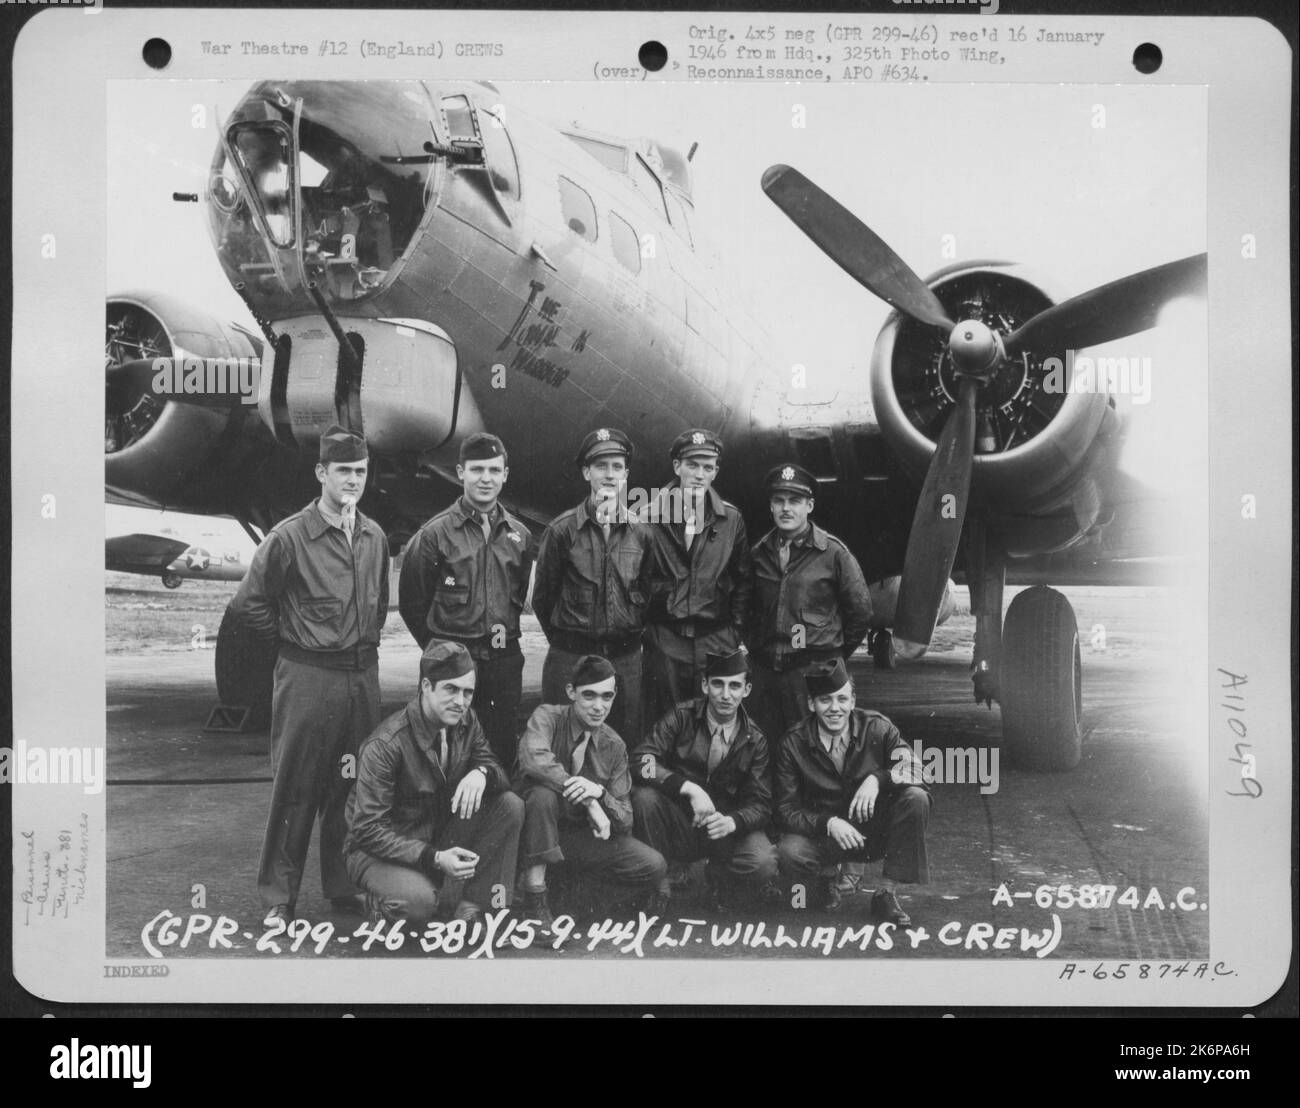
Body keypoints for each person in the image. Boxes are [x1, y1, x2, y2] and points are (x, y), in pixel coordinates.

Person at [229, 424, 389, 927]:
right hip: (307, 676)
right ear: (321, 472)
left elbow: (379, 605)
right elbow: (249, 604)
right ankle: (278, 897)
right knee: (296, 789)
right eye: (343, 470)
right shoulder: (291, 536)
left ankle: (343, 885)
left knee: (352, 782)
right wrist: (291, 643)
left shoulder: (374, 536)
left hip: (361, 677)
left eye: (360, 471)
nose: (353, 480)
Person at [344, 641, 523, 926]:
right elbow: (367, 830)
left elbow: (498, 773)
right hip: (380, 852)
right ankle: (375, 901)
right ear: (426, 687)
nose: (460, 702)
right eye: (450, 689)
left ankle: (469, 905)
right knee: (419, 906)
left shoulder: (467, 720)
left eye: (468, 692)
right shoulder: (385, 744)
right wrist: (435, 858)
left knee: (509, 805)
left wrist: (482, 773)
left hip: (434, 841)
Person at [398, 432, 536, 769]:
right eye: (476, 470)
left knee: (499, 754)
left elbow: (517, 596)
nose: (485, 479)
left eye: (493, 470)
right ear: (460, 473)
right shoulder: (434, 534)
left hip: (503, 666)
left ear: (505, 474)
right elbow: (412, 602)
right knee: (443, 758)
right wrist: (441, 653)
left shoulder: (520, 536)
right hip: (452, 667)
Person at [773, 658, 930, 924]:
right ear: (811, 704)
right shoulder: (793, 743)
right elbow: (785, 809)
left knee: (916, 798)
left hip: (873, 831)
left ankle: (886, 894)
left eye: (842, 699)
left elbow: (919, 771)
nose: (835, 708)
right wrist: (828, 823)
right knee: (790, 851)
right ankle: (826, 879)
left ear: (853, 701)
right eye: (825, 700)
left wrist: (879, 779)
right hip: (827, 836)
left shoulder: (878, 727)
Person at [514, 655, 667, 924]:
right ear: (571, 692)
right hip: (533, 833)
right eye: (589, 695)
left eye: (606, 697)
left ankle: (567, 897)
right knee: (542, 794)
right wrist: (588, 801)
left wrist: (599, 794)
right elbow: (534, 759)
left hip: (575, 840)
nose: (599, 706)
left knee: (653, 865)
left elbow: (625, 818)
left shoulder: (614, 745)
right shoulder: (547, 718)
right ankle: (535, 899)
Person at [631, 648, 777, 911]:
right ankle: (659, 883)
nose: (725, 694)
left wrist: (733, 822)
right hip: (683, 821)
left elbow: (762, 804)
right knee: (645, 799)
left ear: (747, 690)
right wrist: (689, 788)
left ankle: (722, 880)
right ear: (704, 685)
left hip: (725, 829)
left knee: (763, 862)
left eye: (734, 686)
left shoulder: (755, 739)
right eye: (718, 684)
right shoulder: (681, 717)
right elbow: (643, 759)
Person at [532, 428, 655, 742]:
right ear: (587, 472)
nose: (609, 475)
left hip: (624, 659)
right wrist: (570, 640)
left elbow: (648, 594)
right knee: (563, 741)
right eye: (601, 466)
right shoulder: (561, 531)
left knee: (624, 742)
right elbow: (543, 598)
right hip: (571, 657)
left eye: (617, 467)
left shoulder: (641, 533)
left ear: (626, 474)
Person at [745, 462, 873, 743]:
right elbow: (746, 609)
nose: (786, 508)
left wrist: (830, 653)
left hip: (811, 675)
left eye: (795, 501)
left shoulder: (833, 553)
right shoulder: (758, 554)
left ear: (810, 506)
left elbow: (860, 613)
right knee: (763, 749)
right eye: (779, 501)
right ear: (771, 506)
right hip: (766, 674)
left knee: (810, 751)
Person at [639, 429, 752, 725]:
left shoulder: (731, 519)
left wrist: (734, 632)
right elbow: (636, 580)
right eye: (692, 465)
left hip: (715, 641)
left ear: (715, 472)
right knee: (664, 722)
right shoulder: (648, 516)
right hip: (666, 639)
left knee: (713, 722)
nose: (699, 475)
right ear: (677, 467)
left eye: (707, 467)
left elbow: (742, 580)